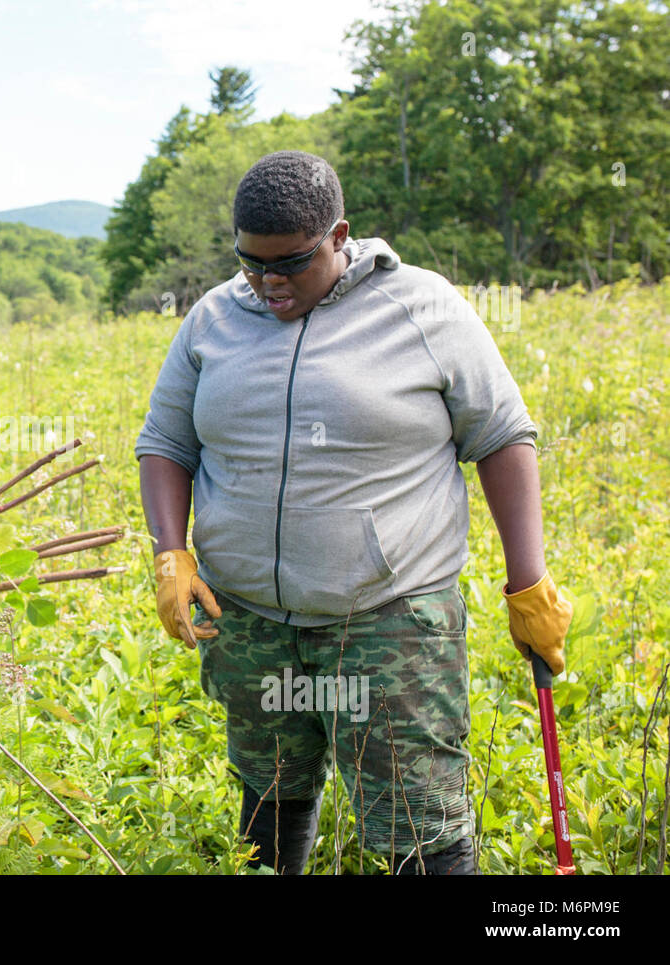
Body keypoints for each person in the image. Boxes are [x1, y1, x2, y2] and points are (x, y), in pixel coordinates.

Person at [135, 150, 572, 875]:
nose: (269, 282)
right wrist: (170, 551)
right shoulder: (214, 319)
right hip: (250, 622)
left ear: (340, 236)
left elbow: (502, 437)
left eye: (291, 263)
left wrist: (527, 581)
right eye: (251, 263)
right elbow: (165, 443)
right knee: (270, 799)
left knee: (418, 828)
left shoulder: (423, 308)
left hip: (387, 623)